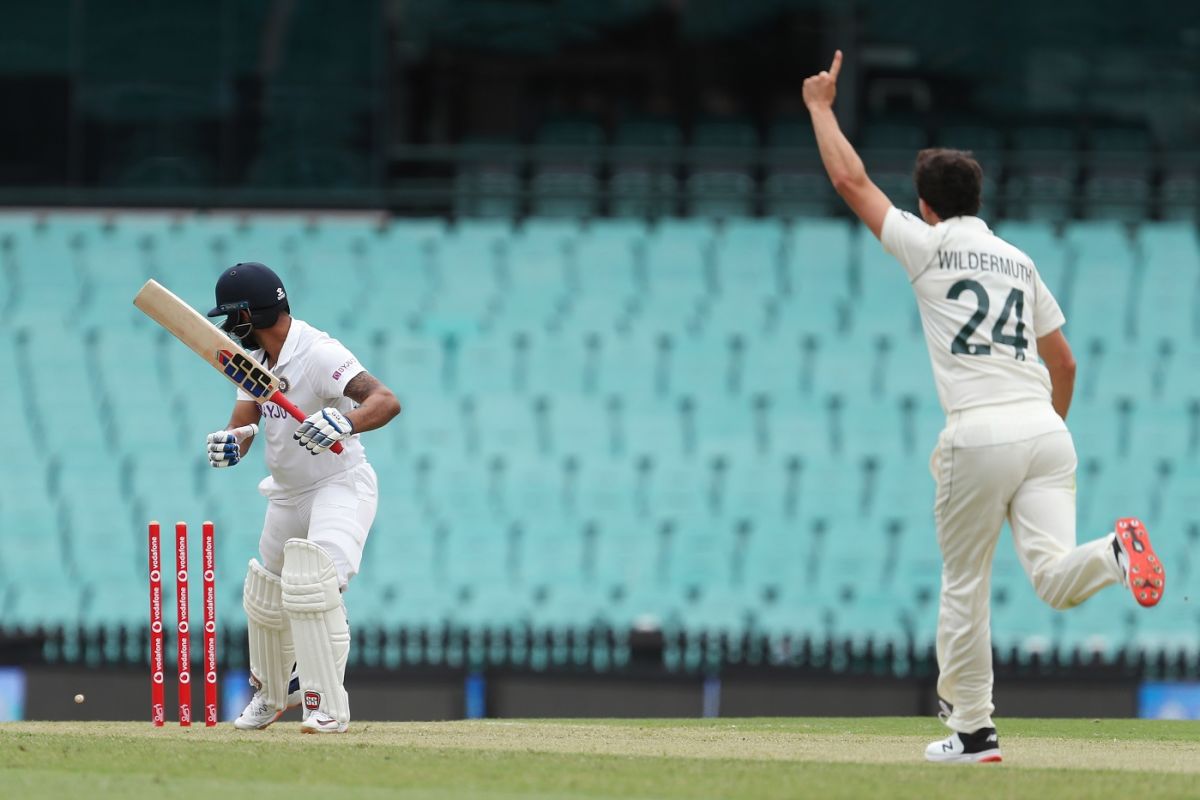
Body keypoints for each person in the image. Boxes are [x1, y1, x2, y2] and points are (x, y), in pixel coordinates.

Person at [803, 51, 1165, 763]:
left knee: (965, 583)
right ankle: (1116, 552)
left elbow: (850, 180)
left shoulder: (927, 246)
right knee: (1055, 578)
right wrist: (1046, 431)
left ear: (928, 205)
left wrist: (820, 107)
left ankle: (974, 731)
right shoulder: (1019, 261)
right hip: (1044, 428)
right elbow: (1065, 362)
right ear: (977, 198)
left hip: (978, 432)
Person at [205, 262, 400, 734]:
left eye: (232, 317)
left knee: (314, 585)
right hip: (287, 493)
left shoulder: (318, 353)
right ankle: (274, 695)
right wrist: (235, 440)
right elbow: (245, 421)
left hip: (339, 484)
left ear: (251, 314)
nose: (228, 328)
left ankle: (326, 705)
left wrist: (345, 421)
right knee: (266, 595)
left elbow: (385, 400)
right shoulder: (254, 361)